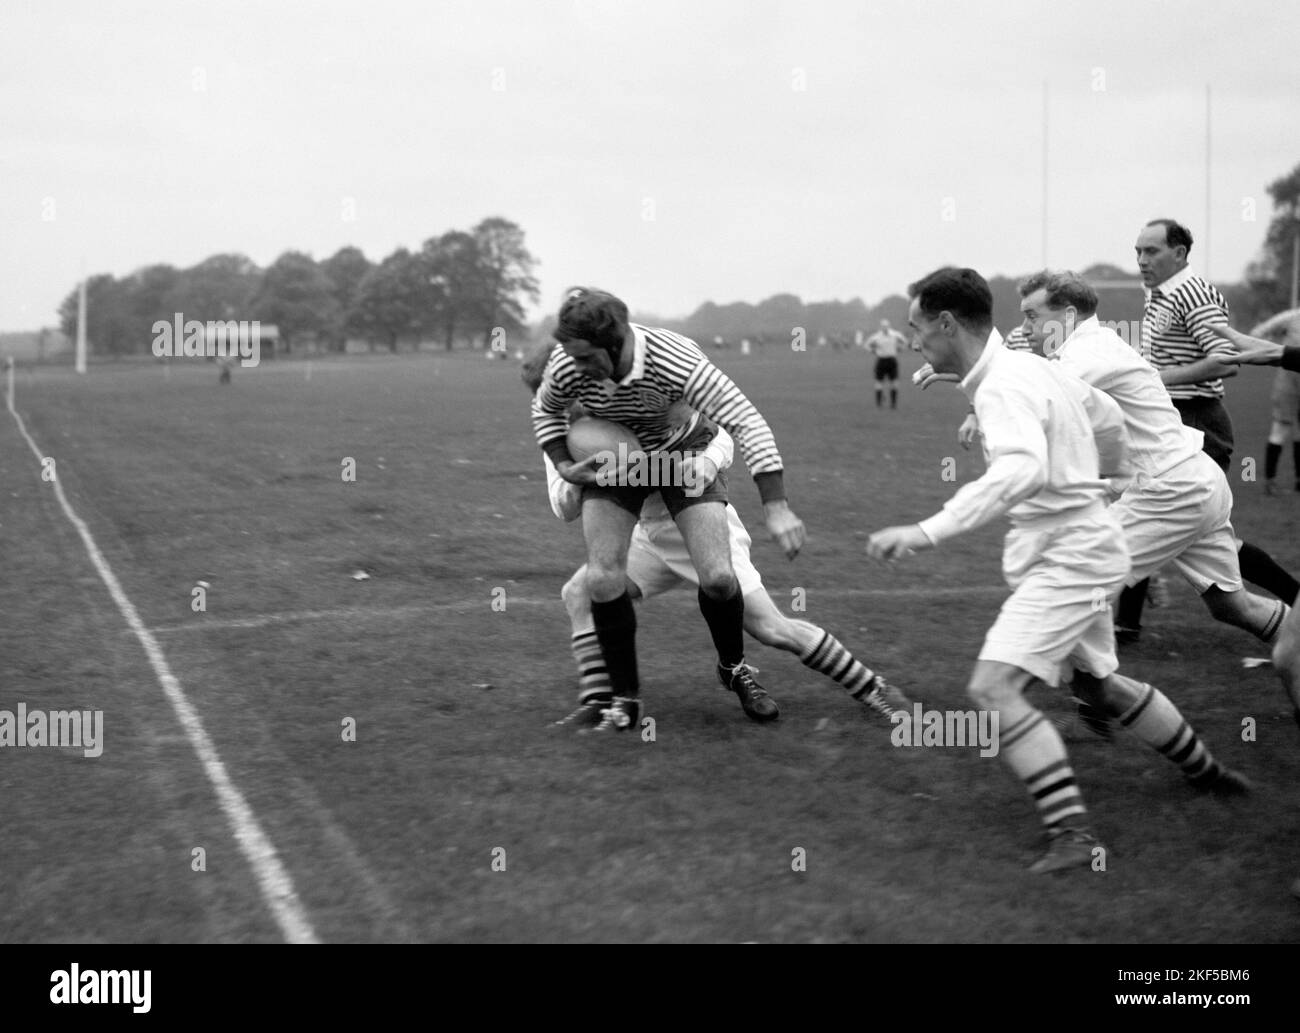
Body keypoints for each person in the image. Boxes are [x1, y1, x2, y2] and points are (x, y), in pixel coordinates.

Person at [868, 267, 1247, 875]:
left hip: (1070, 558)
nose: (914, 342)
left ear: (945, 323)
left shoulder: (1002, 385)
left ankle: (1073, 834)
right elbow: (1105, 416)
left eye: (917, 329)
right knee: (1097, 685)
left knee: (992, 689)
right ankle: (1207, 771)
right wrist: (1118, 472)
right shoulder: (1029, 367)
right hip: (1085, 546)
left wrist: (925, 530)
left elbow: (1018, 470)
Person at [522, 350, 910, 727]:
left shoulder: (634, 397)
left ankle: (871, 687)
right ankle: (601, 703)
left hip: (703, 526)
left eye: (568, 396)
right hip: (647, 536)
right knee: (580, 593)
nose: (565, 408)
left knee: (771, 628)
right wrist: (581, 477)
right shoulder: (563, 435)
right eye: (551, 400)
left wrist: (702, 463)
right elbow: (564, 507)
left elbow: (719, 433)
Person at [531, 288, 806, 733]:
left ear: (616, 342)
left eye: (586, 359)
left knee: (718, 578)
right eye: (572, 358)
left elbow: (746, 419)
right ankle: (624, 702)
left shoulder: (673, 360)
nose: (576, 370)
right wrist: (564, 463)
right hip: (622, 468)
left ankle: (733, 668)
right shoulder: (568, 363)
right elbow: (544, 409)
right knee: (602, 577)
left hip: (681, 461)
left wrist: (776, 506)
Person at [1013, 270, 1289, 653]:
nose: (1024, 327)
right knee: (1232, 606)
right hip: (1192, 481)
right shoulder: (1090, 346)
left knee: (1073, 575)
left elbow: (1040, 401)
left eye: (1031, 315)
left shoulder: (1087, 352)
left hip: (1173, 489)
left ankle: (1096, 696)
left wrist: (970, 369)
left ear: (1069, 315)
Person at [1117, 219, 1298, 641]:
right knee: (1157, 510)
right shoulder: (1161, 294)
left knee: (1179, 523)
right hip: (1171, 420)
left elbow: (1227, 360)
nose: (1142, 259)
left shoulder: (1193, 292)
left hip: (1198, 421)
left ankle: (1125, 625)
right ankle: (1126, 625)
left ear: (1179, 254)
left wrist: (1156, 380)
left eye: (1152, 251)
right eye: (1138, 251)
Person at [865, 319, 908, 409]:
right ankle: (879, 404)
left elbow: (905, 341)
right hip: (881, 360)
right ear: (881, 327)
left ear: (889, 326)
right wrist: (873, 351)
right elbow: (867, 345)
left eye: (886, 326)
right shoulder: (876, 337)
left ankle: (893, 404)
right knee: (879, 382)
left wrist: (901, 349)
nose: (884, 328)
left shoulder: (895, 335)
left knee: (894, 382)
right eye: (883, 327)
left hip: (892, 360)